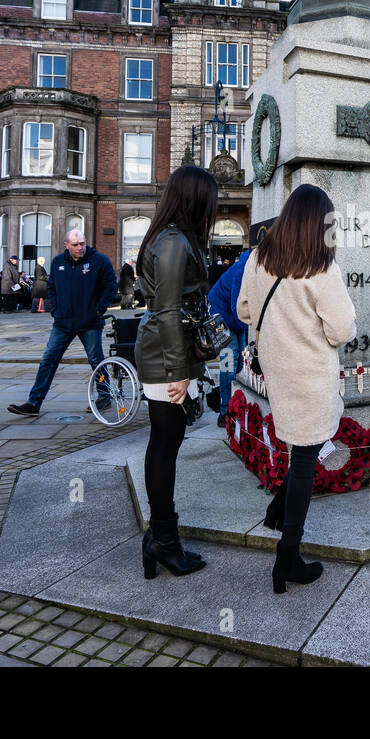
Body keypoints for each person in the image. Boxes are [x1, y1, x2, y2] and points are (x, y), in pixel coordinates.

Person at [239, 185, 356, 592]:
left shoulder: (258, 258)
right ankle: (287, 559)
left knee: (299, 450)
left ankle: (275, 512)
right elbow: (341, 330)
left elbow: (243, 310)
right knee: (306, 461)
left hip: (278, 372)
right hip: (311, 376)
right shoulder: (322, 269)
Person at [132, 166, 216, 580]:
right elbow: (167, 310)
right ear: (195, 198)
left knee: (166, 443)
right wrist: (180, 372)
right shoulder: (172, 241)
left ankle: (162, 539)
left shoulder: (175, 237)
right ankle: (163, 541)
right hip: (167, 356)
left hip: (171, 352)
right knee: (165, 445)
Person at [7, 229, 116, 418]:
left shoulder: (99, 261)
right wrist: (55, 309)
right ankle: (34, 402)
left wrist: (99, 309)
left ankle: (105, 396)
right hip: (63, 322)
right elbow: (51, 286)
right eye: (75, 245)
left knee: (96, 360)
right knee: (48, 360)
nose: (80, 247)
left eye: (82, 243)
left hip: (90, 321)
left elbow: (110, 285)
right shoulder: (58, 262)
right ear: (66, 245)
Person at [209, 248, 250, 429]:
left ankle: (232, 402)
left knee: (239, 362)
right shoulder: (243, 269)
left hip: (234, 319)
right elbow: (236, 304)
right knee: (228, 363)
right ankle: (225, 412)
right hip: (220, 316)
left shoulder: (253, 266)